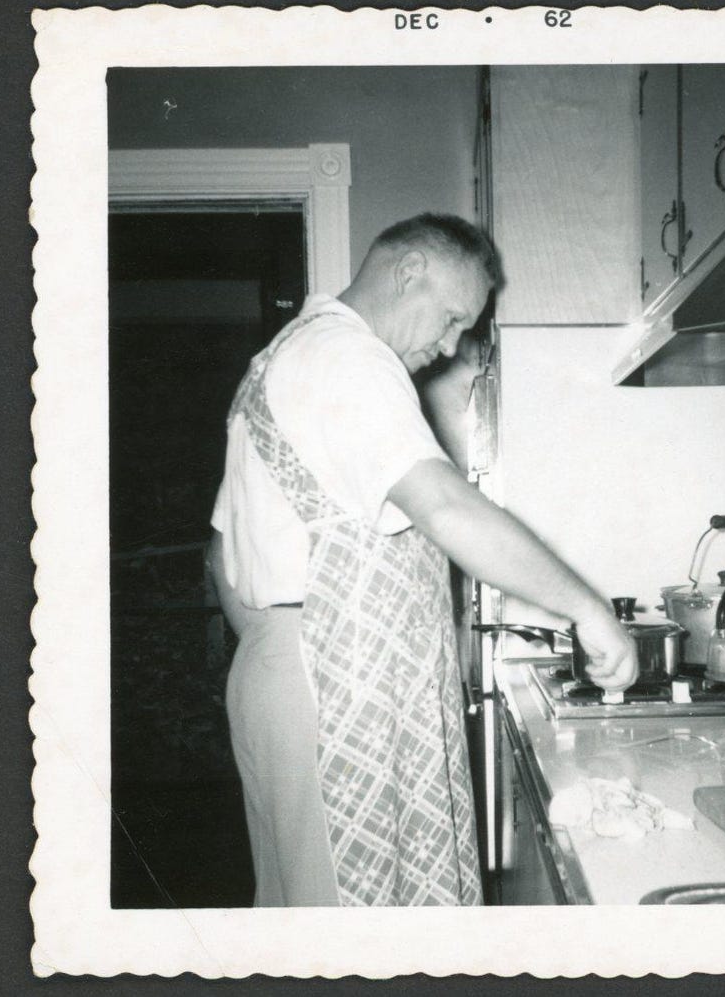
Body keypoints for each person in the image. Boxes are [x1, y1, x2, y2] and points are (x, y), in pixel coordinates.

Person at [208, 213, 637, 908]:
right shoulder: (349, 358)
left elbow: (222, 552)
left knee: (306, 914)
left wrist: (275, 644)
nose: (446, 348)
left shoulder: (281, 358)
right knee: (349, 932)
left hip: (295, 674)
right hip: (337, 687)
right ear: (409, 272)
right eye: (449, 319)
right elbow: (445, 507)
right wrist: (588, 610)